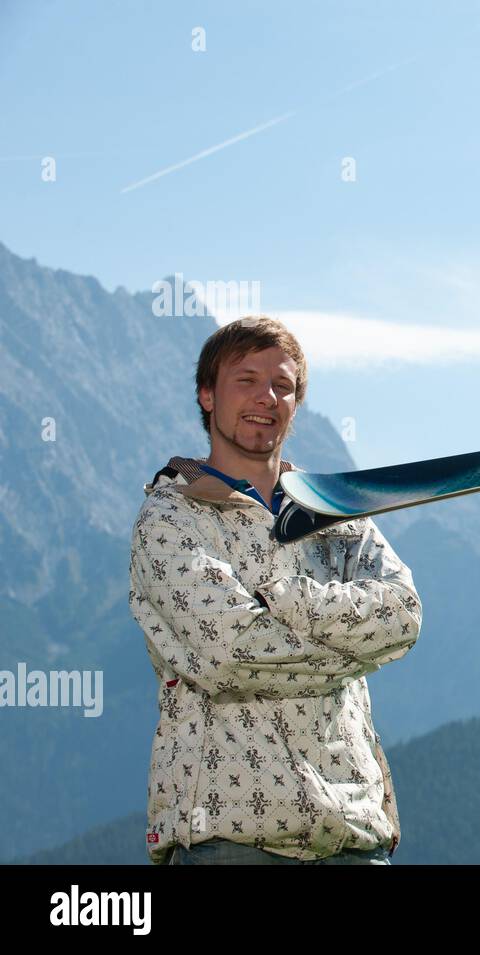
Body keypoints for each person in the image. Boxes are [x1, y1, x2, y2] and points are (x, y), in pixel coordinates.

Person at [128, 316, 422, 864]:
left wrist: (284, 598)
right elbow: (232, 654)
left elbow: (403, 615)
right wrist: (351, 651)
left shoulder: (333, 508)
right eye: (246, 380)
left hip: (353, 832)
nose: (266, 396)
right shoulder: (171, 516)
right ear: (207, 395)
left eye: (283, 386)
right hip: (228, 838)